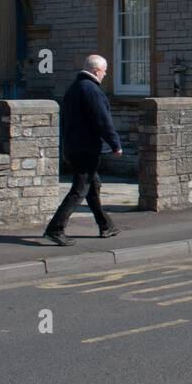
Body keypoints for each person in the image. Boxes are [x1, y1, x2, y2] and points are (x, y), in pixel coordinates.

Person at [44, 55, 122, 245]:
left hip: (72, 147)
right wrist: (115, 144)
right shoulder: (91, 90)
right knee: (79, 190)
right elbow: (102, 121)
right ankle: (55, 229)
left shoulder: (74, 88)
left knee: (92, 187)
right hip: (86, 149)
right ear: (96, 71)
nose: (105, 75)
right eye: (104, 71)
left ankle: (106, 225)